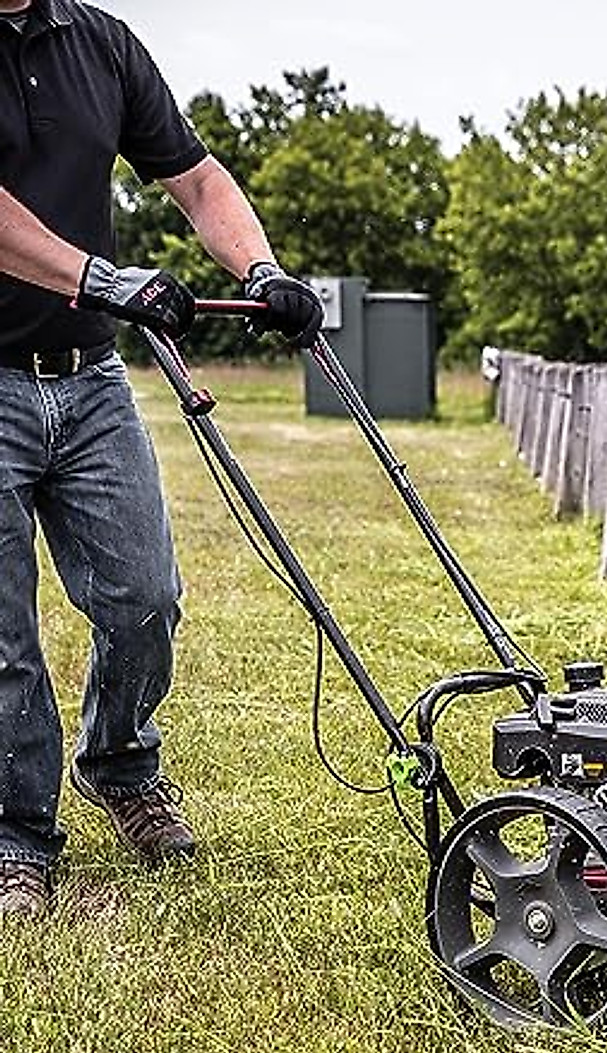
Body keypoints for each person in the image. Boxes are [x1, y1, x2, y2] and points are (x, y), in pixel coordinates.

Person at [0, 0, 324, 918]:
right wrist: (101, 278)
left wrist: (261, 273)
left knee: (144, 595)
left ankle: (118, 762)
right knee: (3, 636)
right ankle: (16, 835)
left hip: (90, 377)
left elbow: (196, 177)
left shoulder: (98, 40)